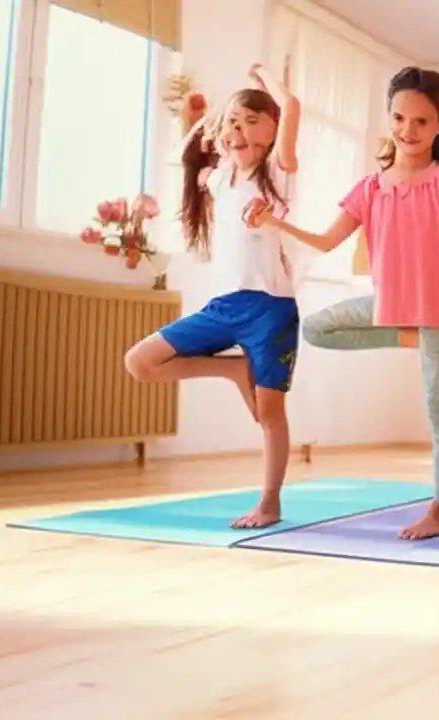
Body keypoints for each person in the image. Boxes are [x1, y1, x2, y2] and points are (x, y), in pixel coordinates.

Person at [246, 67, 439, 540]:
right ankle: (406, 336)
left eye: (420, 122)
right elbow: (327, 240)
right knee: (315, 329)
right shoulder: (370, 188)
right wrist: (275, 223)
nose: (407, 130)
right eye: (399, 118)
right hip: (391, 306)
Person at [124, 64, 301, 530]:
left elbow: (293, 107)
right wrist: (205, 118)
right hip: (223, 307)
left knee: (268, 413)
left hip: (270, 309)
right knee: (141, 362)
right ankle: (232, 368)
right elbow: (190, 156)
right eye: (233, 122)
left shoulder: (276, 174)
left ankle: (270, 501)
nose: (239, 129)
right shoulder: (220, 179)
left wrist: (265, 78)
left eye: (251, 120)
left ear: (273, 129)